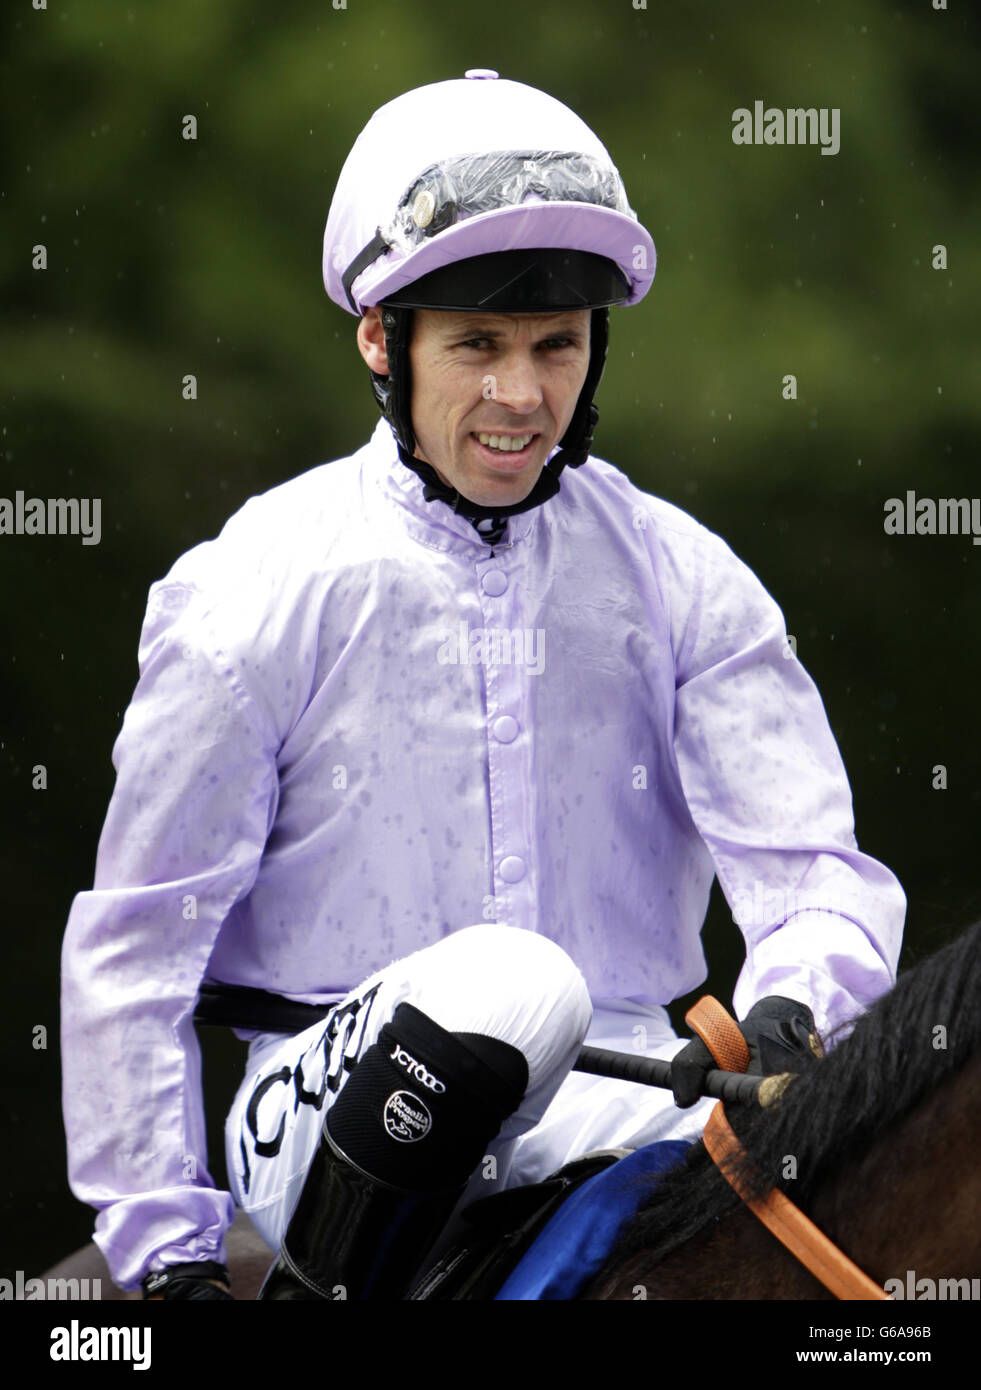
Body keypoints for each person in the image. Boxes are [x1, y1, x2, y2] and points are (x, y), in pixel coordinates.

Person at [60, 70, 906, 1301]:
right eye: (479, 346)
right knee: (516, 986)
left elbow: (819, 877)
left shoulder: (684, 575)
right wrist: (169, 1255)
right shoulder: (250, 591)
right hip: (322, 1109)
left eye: (555, 346)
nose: (523, 396)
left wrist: (792, 1005)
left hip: (625, 1108)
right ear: (379, 339)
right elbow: (134, 952)